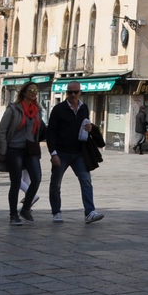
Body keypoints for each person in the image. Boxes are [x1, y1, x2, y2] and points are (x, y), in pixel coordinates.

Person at [47, 81, 104, 224]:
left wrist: (90, 128)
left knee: (86, 181)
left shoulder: (84, 107)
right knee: (56, 183)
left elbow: (85, 124)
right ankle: (56, 212)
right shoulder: (58, 109)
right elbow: (50, 133)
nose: (73, 95)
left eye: (75, 92)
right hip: (61, 152)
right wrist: (53, 153)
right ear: (66, 93)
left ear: (80, 92)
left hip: (79, 152)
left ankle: (90, 212)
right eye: (70, 92)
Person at [0, 82, 46, 225]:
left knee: (36, 178)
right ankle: (13, 215)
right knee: (16, 182)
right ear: (24, 92)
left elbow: (39, 130)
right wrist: (3, 151)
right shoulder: (13, 109)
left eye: (36, 90)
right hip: (14, 149)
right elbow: (2, 131)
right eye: (31, 90)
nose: (34, 92)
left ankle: (25, 208)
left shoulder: (37, 110)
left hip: (30, 149)